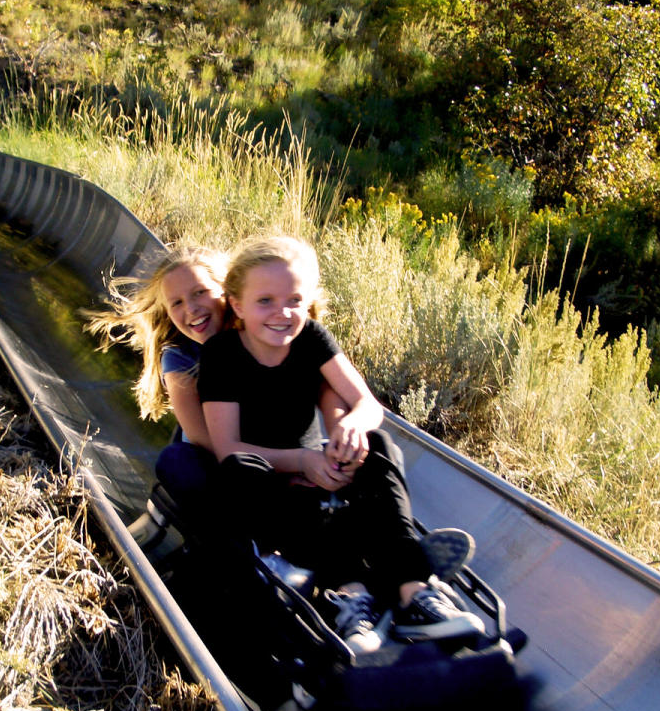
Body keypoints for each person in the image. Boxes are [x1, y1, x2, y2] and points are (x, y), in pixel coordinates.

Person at [198, 234, 484, 656]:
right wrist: (303, 461)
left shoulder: (311, 338)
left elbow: (368, 405)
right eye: (265, 301)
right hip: (272, 485)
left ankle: (412, 591)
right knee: (241, 468)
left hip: (323, 473)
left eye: (295, 299)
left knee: (378, 442)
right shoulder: (222, 354)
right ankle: (348, 592)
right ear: (237, 305)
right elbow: (228, 448)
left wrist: (351, 427)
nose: (283, 313)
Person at [85, 246, 230, 512]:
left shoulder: (253, 333)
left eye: (200, 292)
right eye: (177, 303)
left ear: (225, 289)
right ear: (166, 311)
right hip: (219, 460)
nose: (192, 309)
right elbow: (203, 438)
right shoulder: (179, 356)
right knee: (176, 461)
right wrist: (271, 466)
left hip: (270, 448)